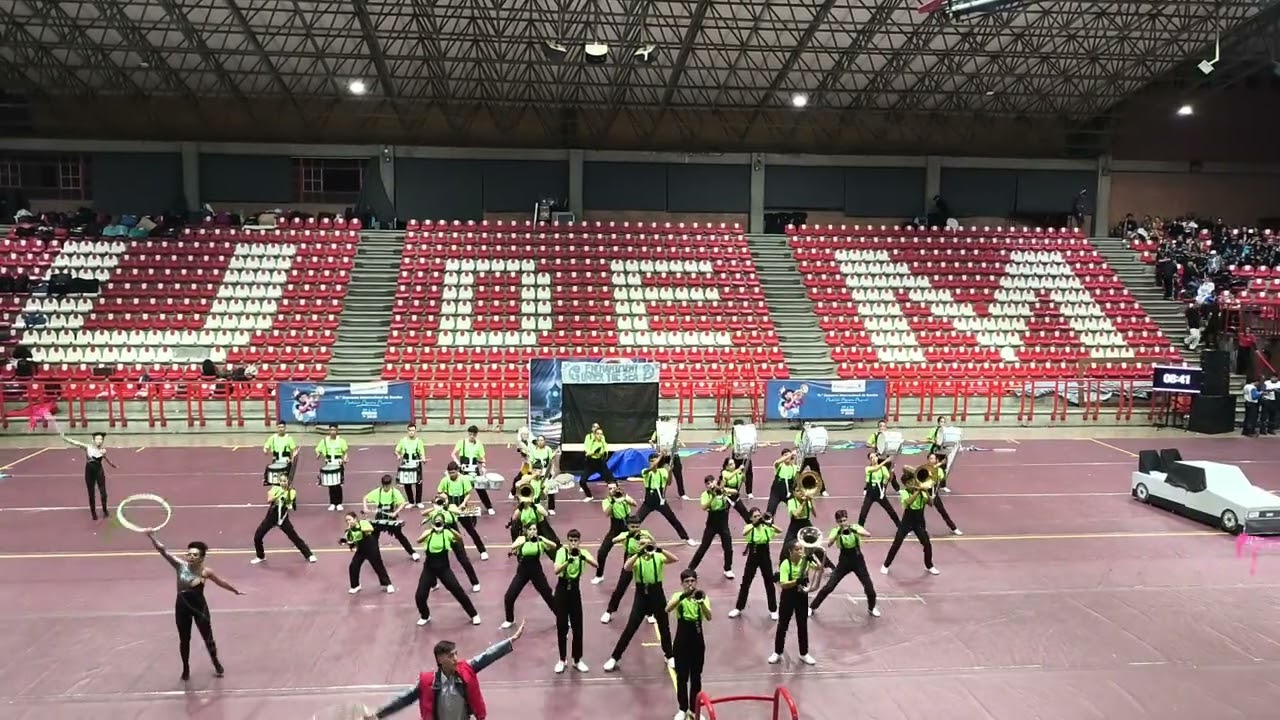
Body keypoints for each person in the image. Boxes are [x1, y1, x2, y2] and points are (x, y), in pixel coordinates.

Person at [364, 621, 525, 719]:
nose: (456, 659)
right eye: (451, 656)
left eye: (456, 654)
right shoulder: (427, 682)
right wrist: (379, 714)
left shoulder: (466, 670)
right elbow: (403, 699)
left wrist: (511, 640)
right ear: (440, 659)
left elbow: (488, 656)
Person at [146, 531, 242, 681]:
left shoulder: (206, 572)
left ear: (202, 558)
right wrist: (152, 537)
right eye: (189, 554)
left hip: (199, 608)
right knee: (184, 639)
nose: (190, 556)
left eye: (195, 555)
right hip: (181, 608)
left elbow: (220, 582)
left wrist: (234, 590)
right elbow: (162, 551)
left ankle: (215, 661)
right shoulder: (179, 566)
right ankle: (185, 667)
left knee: (208, 638)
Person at [602, 536, 678, 672]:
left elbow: (674, 559)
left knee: (664, 625)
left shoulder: (657, 556)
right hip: (641, 594)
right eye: (642, 544)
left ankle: (669, 655)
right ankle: (615, 657)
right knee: (631, 627)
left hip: (657, 593)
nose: (645, 546)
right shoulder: (636, 559)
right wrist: (639, 553)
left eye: (647, 544)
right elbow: (626, 567)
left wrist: (658, 549)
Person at [414, 514, 482, 626]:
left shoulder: (447, 533)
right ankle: (425, 615)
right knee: (420, 595)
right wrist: (431, 530)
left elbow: (459, 538)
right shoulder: (428, 533)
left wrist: (448, 528)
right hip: (429, 568)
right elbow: (418, 540)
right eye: (436, 522)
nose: (438, 524)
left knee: (457, 590)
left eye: (440, 522)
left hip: (443, 568)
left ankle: (474, 614)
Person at [809, 510, 878, 617]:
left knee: (869, 587)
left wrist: (853, 530)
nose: (843, 523)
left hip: (858, 560)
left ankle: (871, 608)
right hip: (844, 561)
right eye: (840, 521)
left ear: (847, 519)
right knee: (829, 586)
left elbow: (868, 534)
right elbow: (830, 543)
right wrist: (838, 533)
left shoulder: (854, 526)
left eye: (844, 520)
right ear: (837, 522)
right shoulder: (835, 530)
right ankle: (812, 607)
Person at [667, 569, 711, 720]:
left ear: (696, 582)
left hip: (697, 638)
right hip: (682, 639)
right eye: (687, 582)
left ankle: (694, 709)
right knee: (682, 676)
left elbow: (709, 616)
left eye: (692, 581)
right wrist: (683, 596)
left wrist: (701, 603)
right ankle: (682, 708)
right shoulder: (677, 596)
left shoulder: (702, 596)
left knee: (696, 676)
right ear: (682, 583)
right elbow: (667, 609)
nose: (690, 584)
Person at [880, 466, 940, 576]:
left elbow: (931, 504)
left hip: (919, 521)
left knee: (927, 543)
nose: (913, 483)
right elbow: (908, 502)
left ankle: (929, 565)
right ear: (906, 485)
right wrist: (918, 491)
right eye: (910, 483)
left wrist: (926, 491)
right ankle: (885, 565)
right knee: (897, 543)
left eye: (913, 481)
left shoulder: (922, 492)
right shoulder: (904, 493)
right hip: (907, 521)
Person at [553, 528, 596, 673]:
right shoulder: (561, 552)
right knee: (562, 626)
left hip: (575, 591)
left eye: (575, 541)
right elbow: (556, 570)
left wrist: (583, 558)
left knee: (578, 626)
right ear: (567, 541)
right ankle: (562, 659)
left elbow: (596, 565)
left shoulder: (583, 553)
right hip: (562, 590)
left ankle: (577, 660)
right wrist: (568, 561)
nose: (573, 544)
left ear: (579, 542)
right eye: (571, 541)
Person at [251, 475, 317, 565]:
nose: (283, 483)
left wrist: (288, 492)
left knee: (294, 537)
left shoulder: (292, 491)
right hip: (272, 515)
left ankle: (309, 555)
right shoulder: (275, 489)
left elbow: (289, 502)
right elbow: (269, 500)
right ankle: (260, 556)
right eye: (281, 481)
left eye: (285, 481)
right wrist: (279, 494)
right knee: (257, 536)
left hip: (282, 516)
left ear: (288, 482)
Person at [600, 516, 655, 624]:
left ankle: (649, 613)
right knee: (621, 587)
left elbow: (654, 543)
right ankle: (609, 611)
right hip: (630, 559)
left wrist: (647, 539)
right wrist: (628, 536)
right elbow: (613, 540)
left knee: (646, 587)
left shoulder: (644, 533)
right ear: (628, 526)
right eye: (633, 527)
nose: (635, 529)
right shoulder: (624, 534)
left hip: (643, 560)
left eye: (637, 527)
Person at [770, 541, 817, 666]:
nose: (800, 552)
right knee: (782, 626)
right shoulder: (785, 564)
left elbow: (819, 569)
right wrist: (797, 581)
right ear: (790, 552)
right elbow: (784, 584)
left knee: (802, 625)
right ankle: (777, 652)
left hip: (802, 596)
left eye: (801, 549)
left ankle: (804, 653)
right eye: (797, 549)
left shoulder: (805, 561)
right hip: (788, 596)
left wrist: (814, 559)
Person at [425, 494, 483, 592]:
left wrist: (446, 507)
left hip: (452, 533)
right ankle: (433, 583)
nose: (442, 502)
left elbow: (458, 511)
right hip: (440, 535)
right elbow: (424, 513)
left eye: (444, 499)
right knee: (431, 559)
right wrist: (434, 508)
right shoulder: (435, 510)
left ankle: (475, 582)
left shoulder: (451, 507)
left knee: (463, 559)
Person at [728, 507, 778, 621]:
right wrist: (755, 524)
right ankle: (738, 607)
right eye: (755, 516)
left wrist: (769, 524)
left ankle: (773, 610)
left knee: (769, 582)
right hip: (753, 555)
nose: (758, 518)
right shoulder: (749, 527)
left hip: (765, 555)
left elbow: (779, 530)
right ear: (751, 518)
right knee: (746, 582)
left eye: (759, 516)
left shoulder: (766, 527)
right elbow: (744, 532)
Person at [503, 525, 557, 628]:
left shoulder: (540, 543)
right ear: (526, 531)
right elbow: (513, 546)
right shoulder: (521, 539)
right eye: (530, 529)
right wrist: (523, 539)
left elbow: (554, 545)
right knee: (509, 596)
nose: (532, 531)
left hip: (536, 571)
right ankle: (510, 619)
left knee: (547, 594)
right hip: (523, 571)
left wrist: (542, 538)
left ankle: (560, 617)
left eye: (534, 529)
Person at [633, 453, 694, 545]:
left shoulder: (662, 471)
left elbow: (669, 482)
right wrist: (661, 456)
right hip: (648, 502)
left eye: (656, 461)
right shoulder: (645, 471)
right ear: (649, 462)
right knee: (636, 520)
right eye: (652, 461)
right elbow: (653, 467)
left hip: (660, 502)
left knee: (673, 520)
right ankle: (628, 536)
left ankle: (686, 538)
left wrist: (669, 471)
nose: (655, 463)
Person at [438, 461, 490, 560]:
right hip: (450, 509)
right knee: (450, 532)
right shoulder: (445, 480)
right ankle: (454, 553)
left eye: (453, 472)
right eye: (450, 473)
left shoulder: (463, 480)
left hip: (462, 507)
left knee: (471, 530)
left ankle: (482, 550)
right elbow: (440, 492)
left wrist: (463, 504)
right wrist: (445, 497)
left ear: (457, 470)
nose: (451, 475)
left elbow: (468, 493)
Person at [62, 431, 117, 521]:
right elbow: (75, 443)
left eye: (101, 439)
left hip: (99, 471)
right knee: (91, 494)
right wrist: (65, 438)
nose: (100, 441)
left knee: (103, 493)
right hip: (89, 472)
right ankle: (93, 513)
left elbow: (106, 458)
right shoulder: (87, 447)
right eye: (98, 439)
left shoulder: (103, 450)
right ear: (93, 440)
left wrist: (112, 464)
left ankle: (105, 510)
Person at [687, 474, 734, 579]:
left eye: (711, 482)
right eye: (707, 483)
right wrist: (712, 497)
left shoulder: (721, 490)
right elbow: (704, 507)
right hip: (712, 523)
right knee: (703, 547)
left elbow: (735, 492)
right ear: (706, 485)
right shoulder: (705, 494)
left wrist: (724, 491)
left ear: (715, 481)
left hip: (723, 523)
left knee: (728, 548)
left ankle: (728, 569)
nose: (710, 485)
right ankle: (690, 568)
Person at [363, 474, 419, 560]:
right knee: (373, 538)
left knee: (400, 536)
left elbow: (402, 503)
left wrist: (395, 512)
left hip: (391, 518)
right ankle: (374, 556)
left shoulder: (394, 492)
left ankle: (412, 553)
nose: (386, 487)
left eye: (387, 486)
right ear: (382, 484)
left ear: (390, 484)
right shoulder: (378, 492)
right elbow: (365, 498)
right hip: (380, 518)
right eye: (384, 486)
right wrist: (365, 508)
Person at [592, 481, 637, 584]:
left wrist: (624, 497)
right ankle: (599, 575)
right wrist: (613, 501)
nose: (612, 490)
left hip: (628, 526)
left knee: (631, 551)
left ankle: (629, 574)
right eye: (609, 489)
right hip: (615, 527)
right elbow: (607, 513)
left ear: (617, 488)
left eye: (613, 488)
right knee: (602, 552)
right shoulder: (607, 501)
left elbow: (635, 504)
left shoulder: (624, 496)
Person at [342, 511, 394, 594]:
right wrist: (349, 543)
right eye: (346, 521)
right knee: (353, 566)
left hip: (371, 546)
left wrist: (357, 527)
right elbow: (351, 541)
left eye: (349, 519)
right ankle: (355, 586)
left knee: (378, 566)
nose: (348, 522)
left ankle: (388, 584)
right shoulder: (349, 531)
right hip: (361, 548)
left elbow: (370, 529)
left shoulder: (363, 523)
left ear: (355, 519)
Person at [451, 424, 495, 515]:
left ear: (476, 435)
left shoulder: (479, 444)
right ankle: (458, 507)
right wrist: (457, 463)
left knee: (480, 488)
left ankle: (489, 507)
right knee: (461, 489)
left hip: (474, 469)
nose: (472, 436)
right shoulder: (461, 442)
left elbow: (483, 458)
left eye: (473, 435)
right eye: (470, 434)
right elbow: (453, 454)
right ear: (468, 434)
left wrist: (483, 466)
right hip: (463, 470)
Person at [857, 450, 900, 530]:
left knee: (891, 511)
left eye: (875, 457)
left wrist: (891, 472)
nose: (873, 459)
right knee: (863, 512)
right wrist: (886, 461)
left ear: (877, 458)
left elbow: (888, 479)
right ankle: (860, 528)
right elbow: (876, 468)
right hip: (870, 493)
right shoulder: (868, 468)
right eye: (871, 458)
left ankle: (900, 527)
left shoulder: (883, 469)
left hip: (880, 493)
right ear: (869, 460)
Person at [923, 454, 962, 536]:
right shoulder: (924, 468)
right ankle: (912, 529)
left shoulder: (939, 470)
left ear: (936, 460)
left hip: (934, 493)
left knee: (943, 512)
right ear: (928, 460)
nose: (932, 460)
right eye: (931, 458)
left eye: (934, 458)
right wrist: (940, 463)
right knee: (917, 513)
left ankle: (954, 528)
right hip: (924, 493)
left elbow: (941, 479)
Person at [650, 416, 688, 498]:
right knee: (659, 473)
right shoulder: (658, 431)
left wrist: (679, 444)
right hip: (663, 455)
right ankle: (659, 492)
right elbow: (652, 441)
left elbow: (677, 441)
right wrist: (655, 447)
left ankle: (682, 494)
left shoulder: (672, 430)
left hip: (673, 454)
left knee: (678, 474)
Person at [316, 423, 350, 511]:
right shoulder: (324, 441)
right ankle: (332, 503)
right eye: (331, 430)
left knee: (337, 484)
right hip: (329, 464)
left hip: (338, 464)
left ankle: (339, 503)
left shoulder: (341, 441)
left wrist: (345, 458)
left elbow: (345, 452)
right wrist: (318, 454)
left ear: (337, 430)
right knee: (331, 484)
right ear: (329, 431)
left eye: (334, 430)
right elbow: (318, 450)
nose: (333, 431)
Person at [395, 423, 427, 508]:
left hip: (416, 464)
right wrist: (398, 455)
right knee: (407, 483)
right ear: (407, 431)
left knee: (418, 483)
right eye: (410, 430)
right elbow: (397, 450)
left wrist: (423, 458)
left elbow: (422, 452)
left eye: (413, 430)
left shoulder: (419, 441)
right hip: (406, 464)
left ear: (415, 431)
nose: (412, 432)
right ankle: (411, 502)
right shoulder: (403, 441)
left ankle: (418, 501)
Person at [262, 421, 298, 487]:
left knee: (286, 481)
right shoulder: (273, 438)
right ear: (277, 428)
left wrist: (294, 456)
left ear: (285, 428)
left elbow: (294, 450)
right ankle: (266, 480)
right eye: (279, 427)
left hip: (286, 462)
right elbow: (265, 446)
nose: (281, 429)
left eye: (282, 427)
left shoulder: (289, 438)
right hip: (276, 461)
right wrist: (265, 450)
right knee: (270, 472)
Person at [580, 423, 611, 499]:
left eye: (597, 427)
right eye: (594, 427)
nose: (599, 435)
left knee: (611, 480)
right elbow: (587, 450)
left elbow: (605, 447)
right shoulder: (589, 437)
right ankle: (589, 496)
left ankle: (616, 494)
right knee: (582, 481)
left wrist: (604, 452)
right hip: (590, 462)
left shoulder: (602, 438)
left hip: (600, 462)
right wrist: (592, 452)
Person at [766, 448, 798, 519]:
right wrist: (790, 454)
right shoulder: (779, 465)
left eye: (789, 455)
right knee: (770, 511)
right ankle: (768, 525)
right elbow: (777, 462)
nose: (787, 457)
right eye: (785, 455)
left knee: (795, 510)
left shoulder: (794, 468)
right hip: (776, 492)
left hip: (789, 491)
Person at [720, 456, 751, 522]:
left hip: (735, 496)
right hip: (726, 497)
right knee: (723, 517)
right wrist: (739, 469)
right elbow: (728, 477)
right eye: (730, 464)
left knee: (745, 513)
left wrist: (744, 476)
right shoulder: (724, 472)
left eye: (733, 463)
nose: (733, 465)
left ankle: (751, 526)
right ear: (726, 467)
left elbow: (744, 480)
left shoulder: (738, 473)